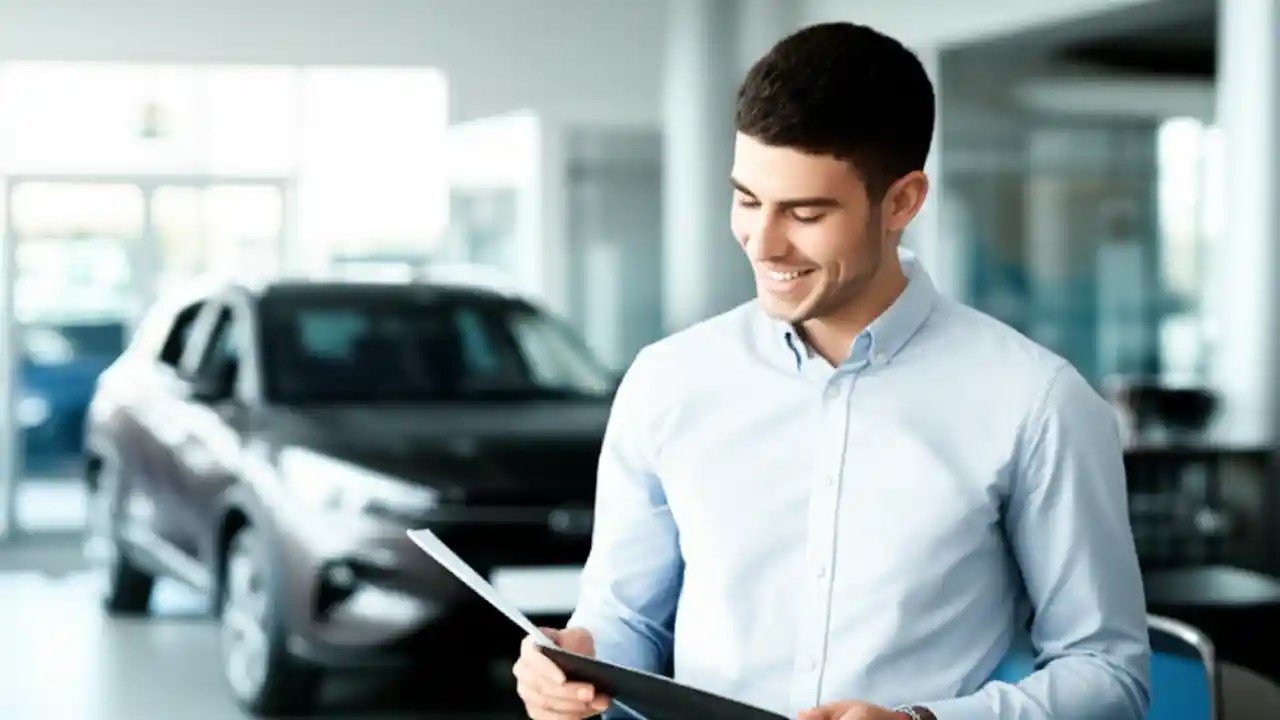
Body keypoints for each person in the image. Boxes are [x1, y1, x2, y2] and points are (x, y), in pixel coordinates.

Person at [511, 21, 1150, 720]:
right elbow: (625, 618)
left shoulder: (1036, 402)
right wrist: (574, 664)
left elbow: (1107, 673)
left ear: (902, 201)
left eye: (805, 213)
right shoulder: (666, 381)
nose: (763, 242)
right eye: (747, 200)